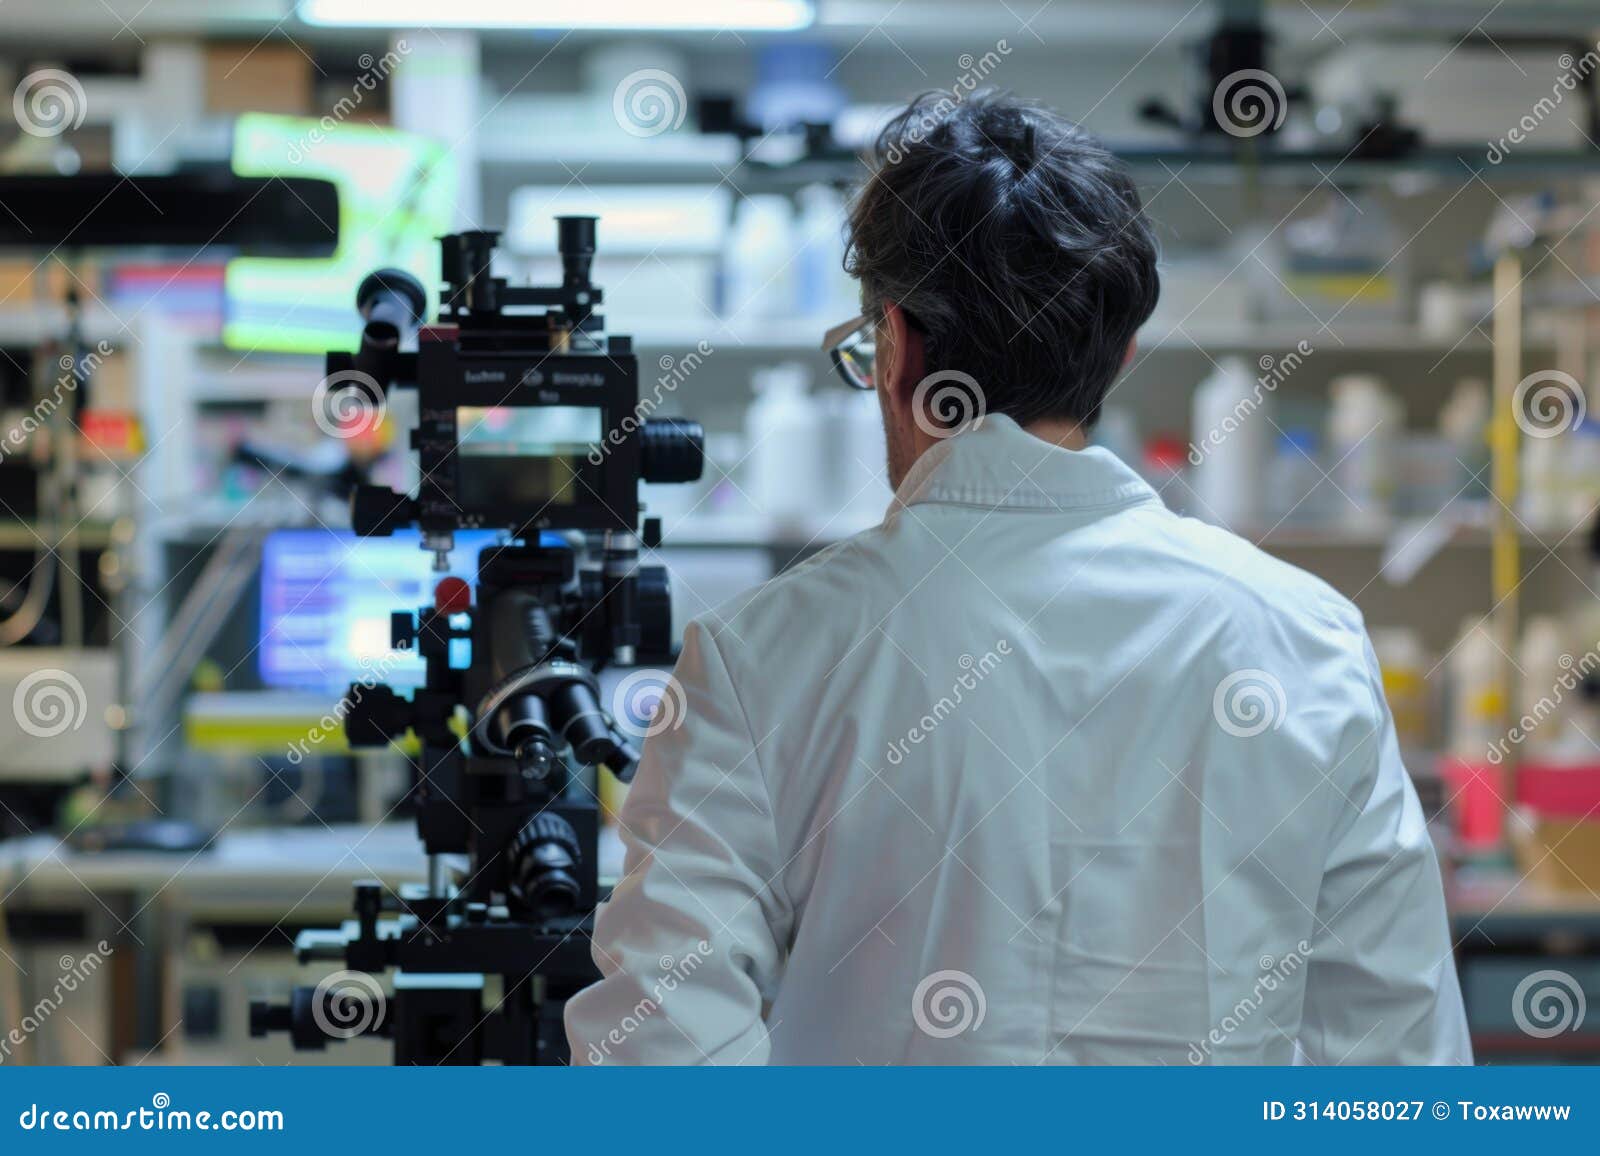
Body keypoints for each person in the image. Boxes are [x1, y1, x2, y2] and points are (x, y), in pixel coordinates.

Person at [564, 90, 1471, 1065]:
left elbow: (658, 1056)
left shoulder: (758, 658)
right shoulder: (1305, 638)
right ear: (1119, 355)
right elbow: (1398, 1067)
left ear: (895, 346)